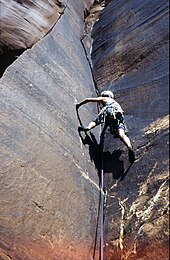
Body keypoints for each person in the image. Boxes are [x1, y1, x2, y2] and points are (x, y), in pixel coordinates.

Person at [76, 90, 135, 164]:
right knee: (122, 135)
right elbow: (105, 126)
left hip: (109, 110)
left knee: (96, 121)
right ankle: (129, 147)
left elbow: (88, 99)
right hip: (118, 117)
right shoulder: (116, 103)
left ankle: (88, 128)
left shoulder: (106, 99)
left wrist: (79, 104)